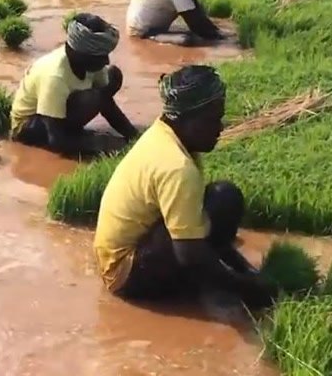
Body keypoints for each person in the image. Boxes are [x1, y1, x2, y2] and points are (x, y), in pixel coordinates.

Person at [93, 64, 273, 308]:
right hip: (126, 275)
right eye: (212, 120)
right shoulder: (176, 166)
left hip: (135, 249)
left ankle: (211, 275)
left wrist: (244, 270)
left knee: (224, 197)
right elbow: (189, 254)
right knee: (192, 249)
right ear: (188, 118)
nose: (220, 128)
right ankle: (198, 284)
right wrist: (247, 289)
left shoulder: (165, 131)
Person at [9, 13, 139, 155]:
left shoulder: (90, 62)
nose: (106, 61)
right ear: (81, 54)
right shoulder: (55, 77)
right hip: (29, 127)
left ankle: (72, 133)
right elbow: (56, 141)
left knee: (113, 75)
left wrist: (133, 136)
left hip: (58, 116)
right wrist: (99, 149)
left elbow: (106, 103)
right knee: (92, 97)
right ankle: (72, 136)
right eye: (101, 56)